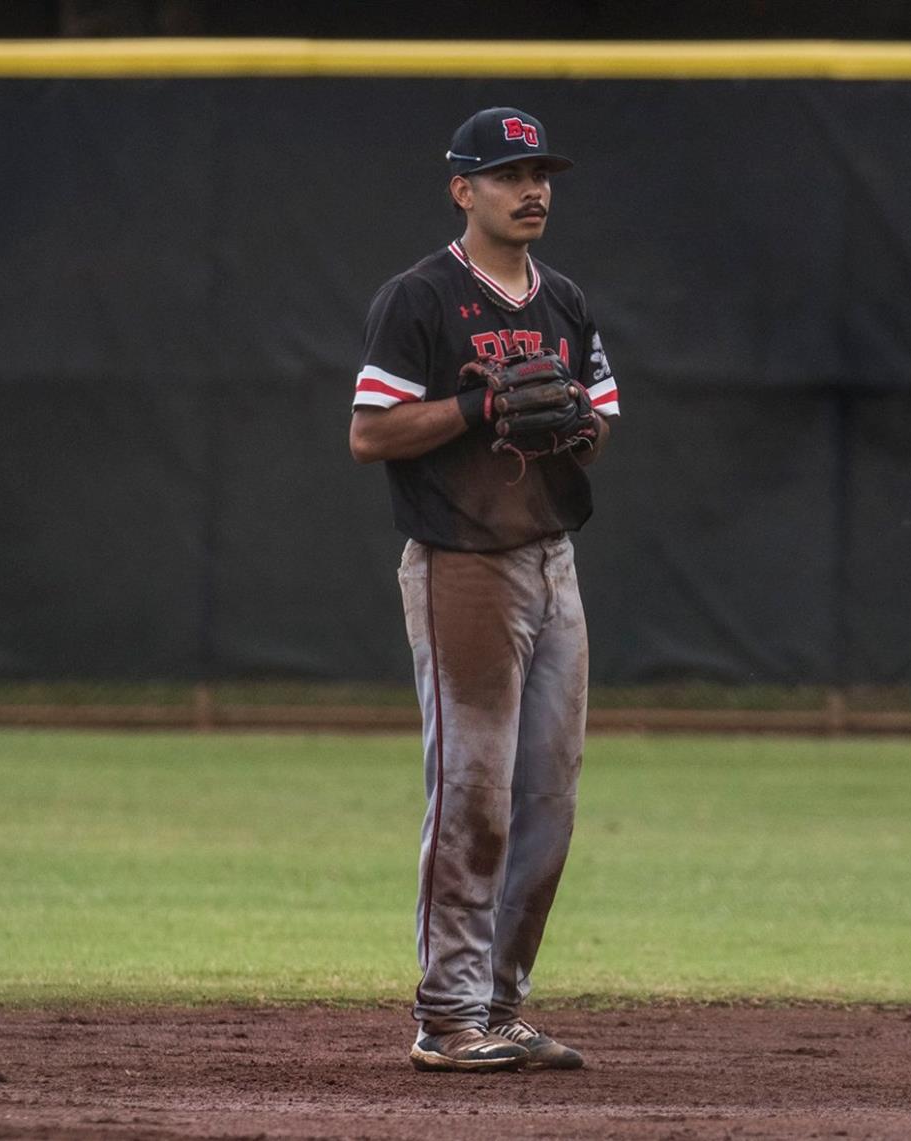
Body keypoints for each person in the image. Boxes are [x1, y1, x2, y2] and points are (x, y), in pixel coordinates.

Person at [348, 106, 620, 1074]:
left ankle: (500, 1006)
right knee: (473, 792)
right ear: (463, 189)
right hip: (461, 560)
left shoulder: (564, 298)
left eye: (540, 171)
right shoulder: (419, 298)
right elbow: (370, 431)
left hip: (553, 561)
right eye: (508, 174)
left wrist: (571, 428)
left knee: (547, 797)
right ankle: (446, 1015)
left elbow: (597, 410)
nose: (531, 189)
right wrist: (479, 405)